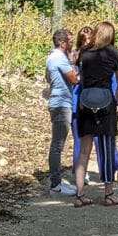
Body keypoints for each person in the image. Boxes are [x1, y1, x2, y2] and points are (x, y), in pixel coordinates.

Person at [71, 21, 118, 207]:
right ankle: (109, 194)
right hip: (105, 105)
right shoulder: (113, 52)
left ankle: (80, 194)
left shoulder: (85, 52)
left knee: (84, 151)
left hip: (85, 104)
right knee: (106, 149)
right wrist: (116, 100)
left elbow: (80, 75)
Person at [44, 29, 79, 195]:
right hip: (62, 105)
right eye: (70, 41)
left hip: (57, 102)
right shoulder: (60, 58)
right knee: (57, 145)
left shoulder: (51, 57)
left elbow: (48, 78)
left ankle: (56, 182)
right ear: (62, 43)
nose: (73, 44)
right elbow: (74, 79)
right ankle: (56, 185)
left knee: (57, 144)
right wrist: (74, 63)